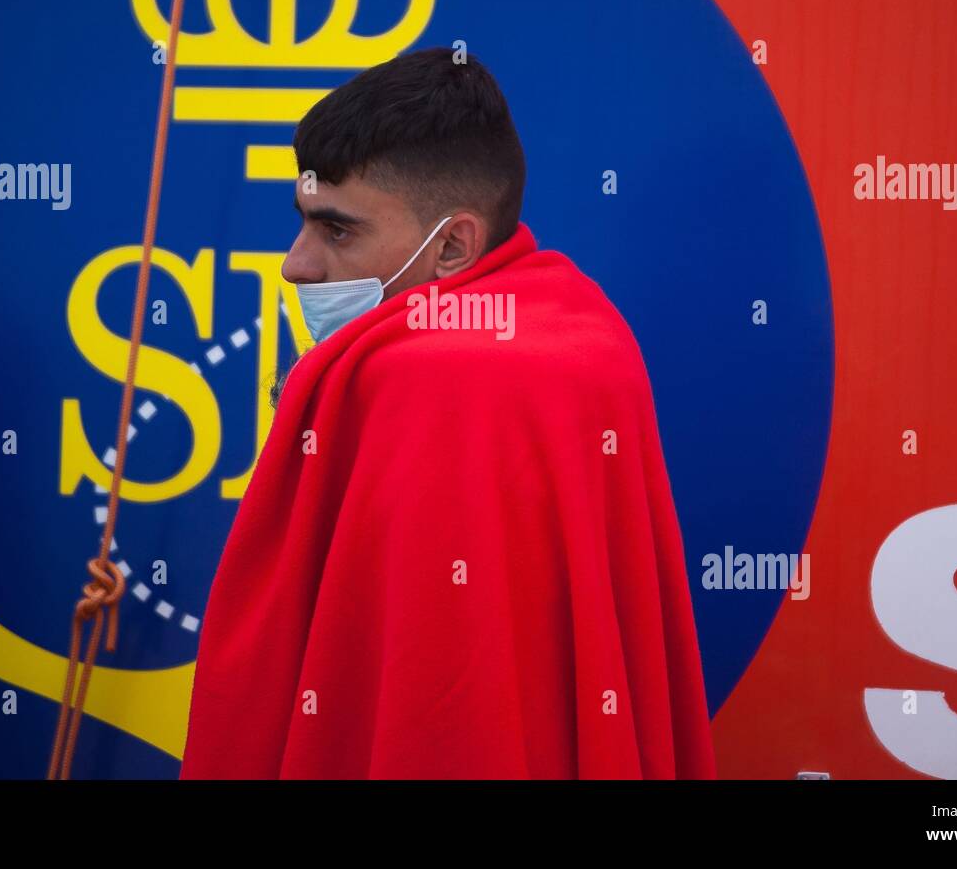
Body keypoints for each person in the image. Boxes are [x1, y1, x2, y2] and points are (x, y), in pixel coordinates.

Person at [179, 47, 716, 779]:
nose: (296, 264)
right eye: (304, 222)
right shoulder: (586, 323)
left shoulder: (430, 374)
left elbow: (436, 703)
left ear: (455, 245)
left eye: (337, 231)